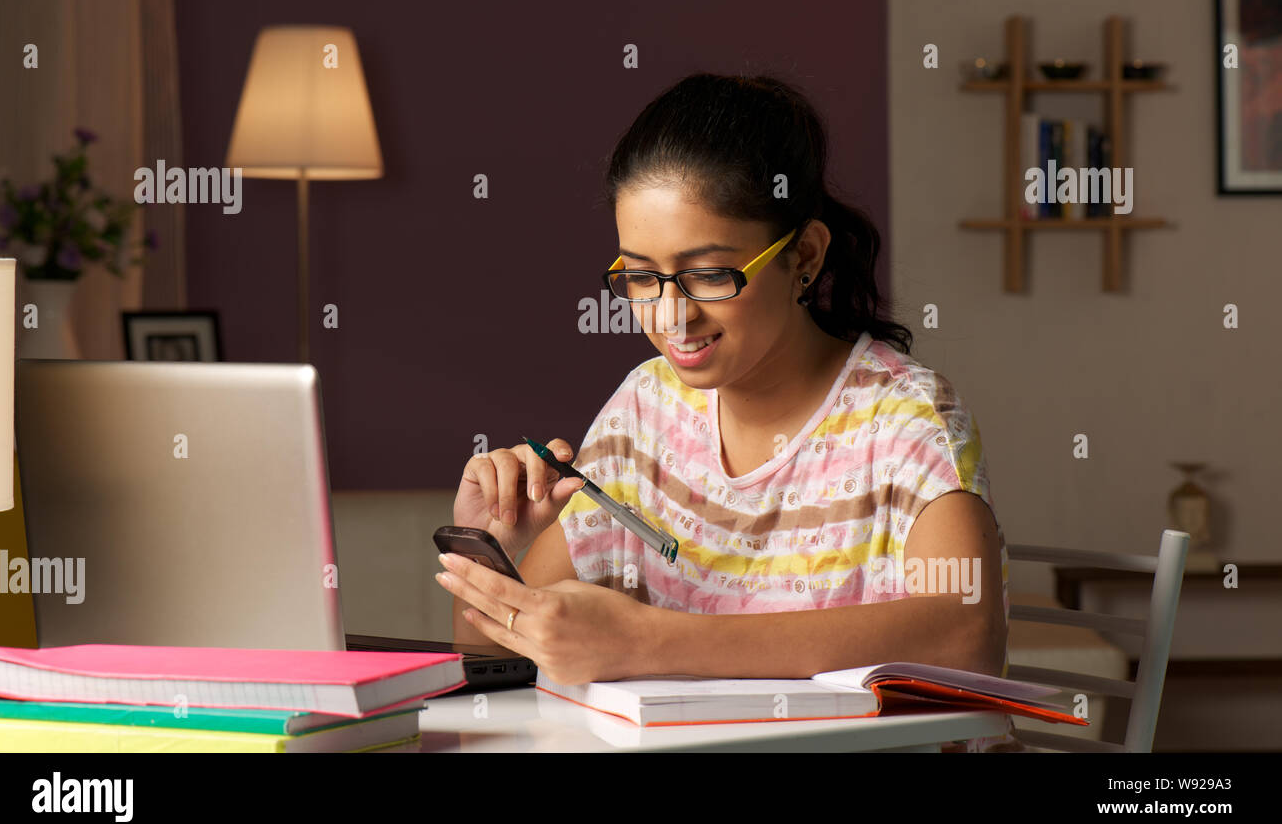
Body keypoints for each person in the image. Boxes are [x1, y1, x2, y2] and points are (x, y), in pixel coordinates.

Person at [436, 73, 1019, 751]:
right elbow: (496, 665)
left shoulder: (905, 417)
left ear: (803, 256)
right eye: (641, 276)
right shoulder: (644, 409)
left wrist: (649, 641)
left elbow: (966, 634)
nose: (672, 315)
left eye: (710, 274)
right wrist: (492, 556)